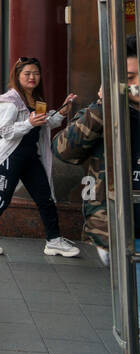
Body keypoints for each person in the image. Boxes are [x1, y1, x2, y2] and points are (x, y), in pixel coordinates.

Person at [0, 58, 80, 257]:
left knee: (45, 198)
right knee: (1, 198)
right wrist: (29, 123)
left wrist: (62, 111)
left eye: (36, 73)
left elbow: (43, 123)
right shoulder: (10, 101)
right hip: (11, 155)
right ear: (17, 76)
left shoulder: (37, 99)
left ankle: (54, 240)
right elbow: (5, 131)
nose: (32, 77)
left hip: (31, 156)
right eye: (27, 73)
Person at [55, 36, 140, 266]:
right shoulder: (105, 115)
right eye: (130, 78)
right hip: (111, 233)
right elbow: (64, 150)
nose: (138, 85)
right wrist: (103, 106)